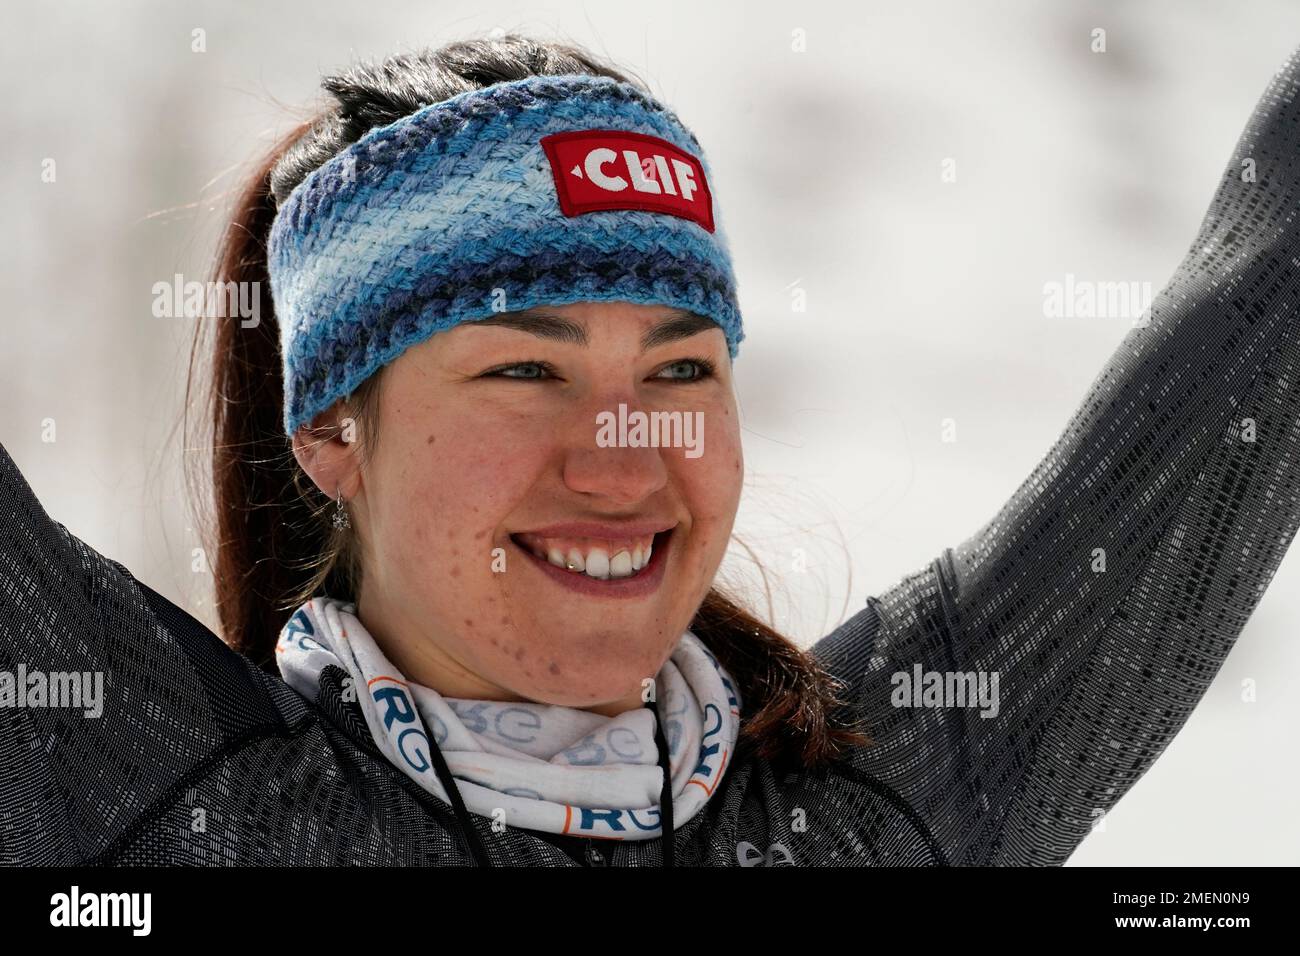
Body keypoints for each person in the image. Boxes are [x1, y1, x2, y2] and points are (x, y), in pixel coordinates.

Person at [2, 33, 1299, 867]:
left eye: (679, 369)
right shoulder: (151, 796)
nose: (623, 464)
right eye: (525, 372)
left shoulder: (880, 814)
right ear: (333, 431)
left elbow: (1259, 326)